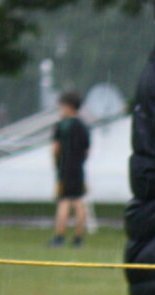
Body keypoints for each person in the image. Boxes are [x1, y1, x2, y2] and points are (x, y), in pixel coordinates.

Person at [48, 91, 91, 248]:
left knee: (64, 201)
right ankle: (78, 239)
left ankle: (59, 237)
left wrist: (56, 164)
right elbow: (87, 150)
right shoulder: (83, 126)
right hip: (78, 168)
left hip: (64, 168)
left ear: (69, 106)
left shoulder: (61, 125)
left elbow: (55, 148)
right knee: (79, 201)